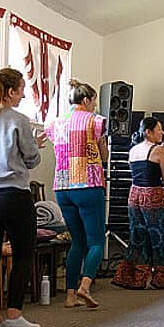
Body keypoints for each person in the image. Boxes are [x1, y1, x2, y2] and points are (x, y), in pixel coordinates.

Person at [0, 68, 45, 327]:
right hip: (13, 196)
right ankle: (14, 313)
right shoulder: (18, 119)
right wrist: (37, 146)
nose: (24, 94)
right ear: (11, 91)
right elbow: (31, 159)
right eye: (21, 89)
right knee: (24, 255)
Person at [45, 79, 107, 309]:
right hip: (88, 184)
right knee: (96, 241)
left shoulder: (55, 123)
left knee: (77, 242)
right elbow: (104, 155)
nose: (94, 106)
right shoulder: (96, 121)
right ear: (87, 100)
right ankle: (84, 286)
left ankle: (70, 296)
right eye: (94, 102)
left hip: (62, 187)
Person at [112, 117, 164, 290]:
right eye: (159, 129)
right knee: (163, 237)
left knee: (138, 237)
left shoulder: (133, 150)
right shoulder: (158, 151)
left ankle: (132, 278)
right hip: (153, 195)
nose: (163, 132)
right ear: (148, 132)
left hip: (134, 195)